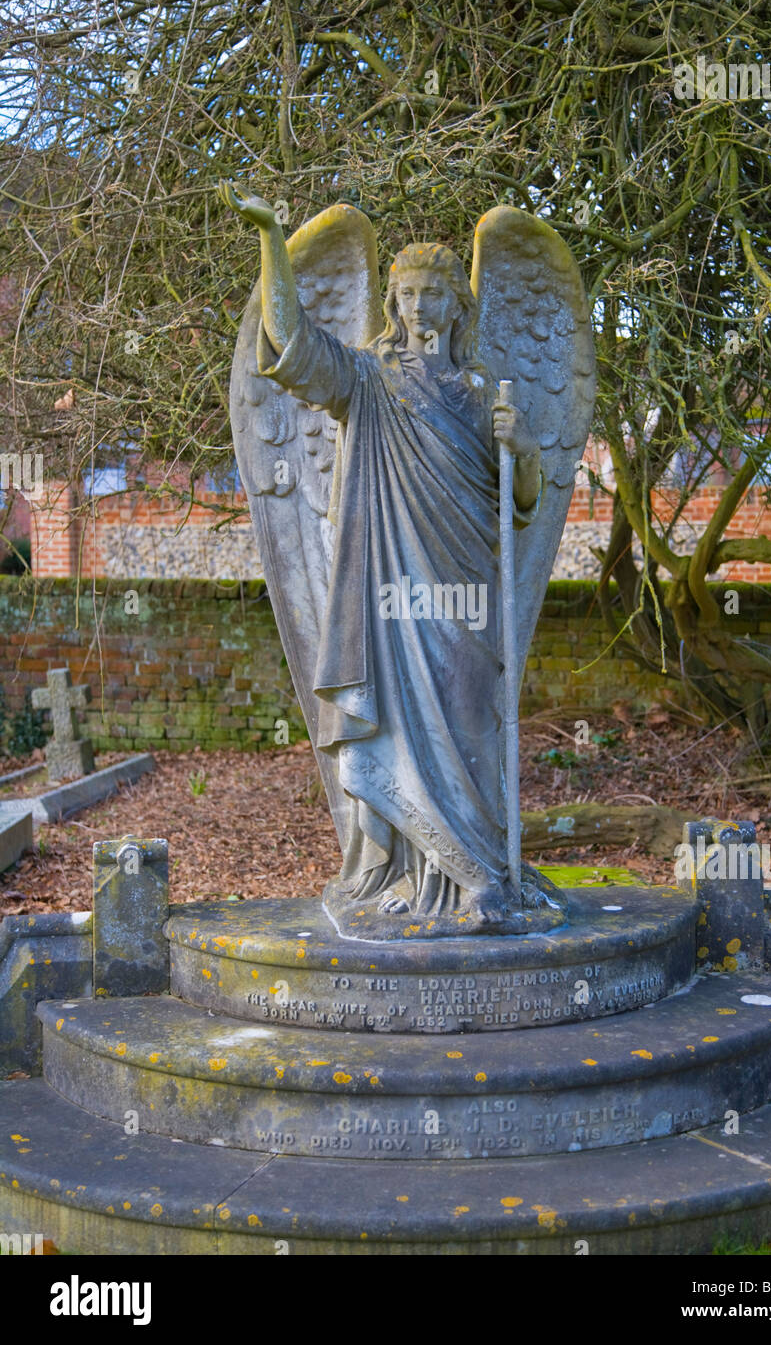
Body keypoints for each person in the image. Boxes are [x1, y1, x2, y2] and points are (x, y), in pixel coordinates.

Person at [220, 183, 542, 924]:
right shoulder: (366, 378)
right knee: (393, 723)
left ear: (460, 306)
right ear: (392, 304)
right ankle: (405, 875)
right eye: (407, 294)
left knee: (469, 717)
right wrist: (273, 237)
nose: (420, 306)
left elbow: (521, 503)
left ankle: (477, 874)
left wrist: (521, 447)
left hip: (466, 592)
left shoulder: (486, 392)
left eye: (436, 294)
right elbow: (291, 345)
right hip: (388, 589)